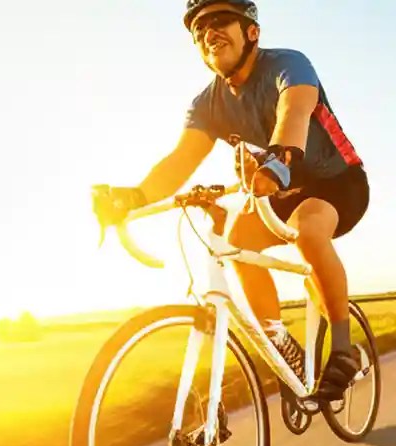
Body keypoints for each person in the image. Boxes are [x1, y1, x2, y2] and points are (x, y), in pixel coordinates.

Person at [96, 0, 369, 402]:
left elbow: (294, 111)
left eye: (220, 20)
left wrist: (281, 158)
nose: (209, 32)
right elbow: (180, 161)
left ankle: (344, 350)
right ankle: (283, 349)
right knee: (237, 241)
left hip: (337, 181)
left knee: (308, 229)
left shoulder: (289, 65)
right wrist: (133, 198)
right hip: (275, 188)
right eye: (199, 28)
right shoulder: (207, 105)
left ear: (251, 31)